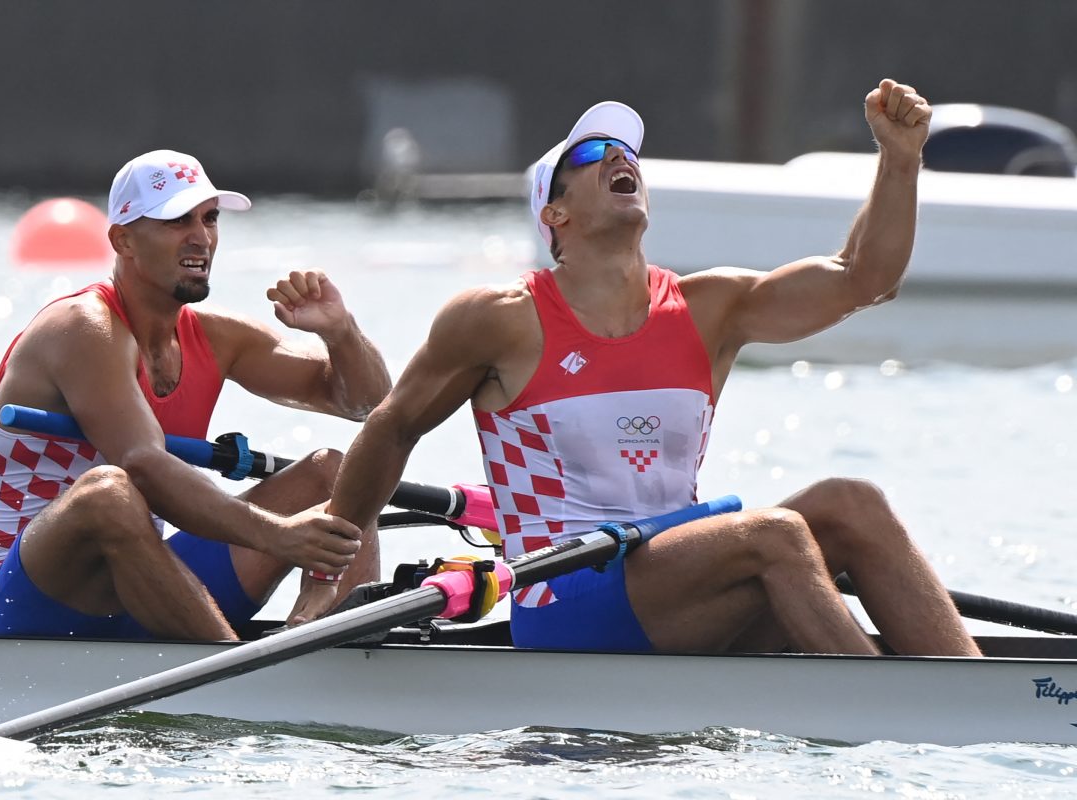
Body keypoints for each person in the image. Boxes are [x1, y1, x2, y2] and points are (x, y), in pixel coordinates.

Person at [324, 80, 982, 657]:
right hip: (564, 597)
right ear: (555, 217)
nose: (618, 157)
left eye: (626, 153)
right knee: (777, 535)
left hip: (679, 581)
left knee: (850, 504)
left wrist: (900, 160)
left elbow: (864, 278)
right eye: (589, 155)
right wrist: (332, 575)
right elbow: (393, 428)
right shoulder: (498, 320)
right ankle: (884, 717)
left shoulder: (711, 309)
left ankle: (977, 704)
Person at [0, 149, 391, 641]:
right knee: (109, 493)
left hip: (138, 581)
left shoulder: (216, 336)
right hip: (20, 598)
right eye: (175, 220)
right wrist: (281, 538)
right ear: (123, 239)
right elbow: (145, 464)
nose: (201, 237)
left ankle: (341, 645)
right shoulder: (81, 328)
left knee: (337, 473)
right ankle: (237, 671)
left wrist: (341, 332)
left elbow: (366, 404)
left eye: (209, 219)